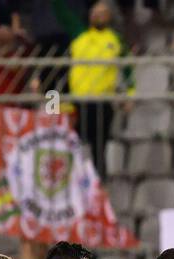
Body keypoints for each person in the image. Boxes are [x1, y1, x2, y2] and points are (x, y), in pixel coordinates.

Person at [70, 1, 127, 178]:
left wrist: (129, 96)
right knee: (69, 144)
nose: (98, 15)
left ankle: (100, 189)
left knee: (99, 147)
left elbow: (129, 70)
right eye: (95, 12)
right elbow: (57, 77)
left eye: (103, 12)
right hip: (77, 102)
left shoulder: (115, 40)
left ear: (110, 16)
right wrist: (54, 106)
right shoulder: (78, 38)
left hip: (103, 101)